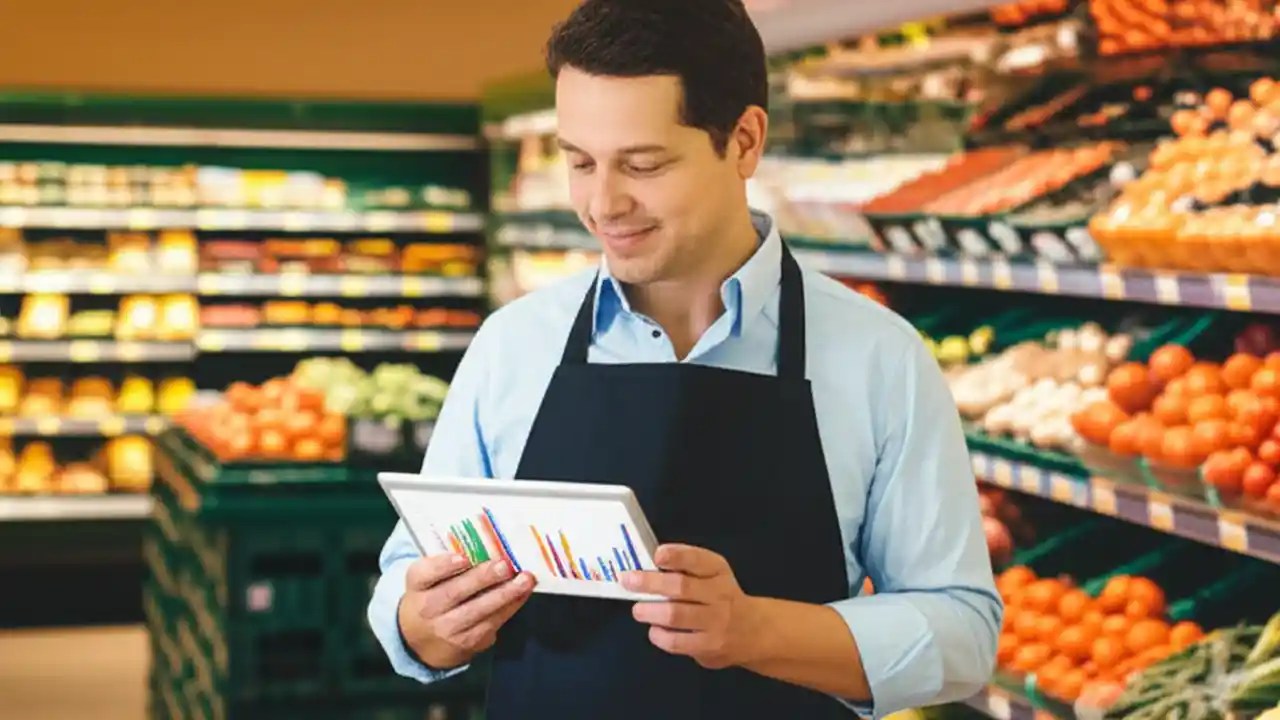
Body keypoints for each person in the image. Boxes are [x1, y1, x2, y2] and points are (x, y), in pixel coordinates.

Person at [367, 0, 1003, 717]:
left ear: (744, 141)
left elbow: (963, 632)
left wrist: (756, 630)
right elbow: (403, 590)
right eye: (579, 162)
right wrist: (431, 624)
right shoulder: (514, 346)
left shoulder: (878, 357)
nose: (603, 203)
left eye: (643, 164)